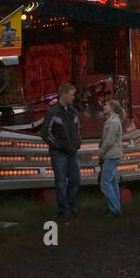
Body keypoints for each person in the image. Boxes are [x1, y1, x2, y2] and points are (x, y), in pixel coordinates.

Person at [42, 84, 82, 215]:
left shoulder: (73, 111)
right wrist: (58, 146)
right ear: (63, 95)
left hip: (72, 152)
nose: (73, 97)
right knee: (60, 181)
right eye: (71, 94)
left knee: (75, 179)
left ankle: (70, 205)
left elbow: (78, 130)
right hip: (59, 153)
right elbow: (45, 133)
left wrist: (77, 143)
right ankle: (64, 209)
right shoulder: (53, 112)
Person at [98, 100, 124, 215]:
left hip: (111, 155)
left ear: (112, 107)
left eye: (106, 105)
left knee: (105, 183)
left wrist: (101, 152)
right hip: (113, 154)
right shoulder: (113, 120)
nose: (104, 106)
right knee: (112, 182)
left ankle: (114, 209)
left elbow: (109, 140)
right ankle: (116, 208)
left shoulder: (113, 122)